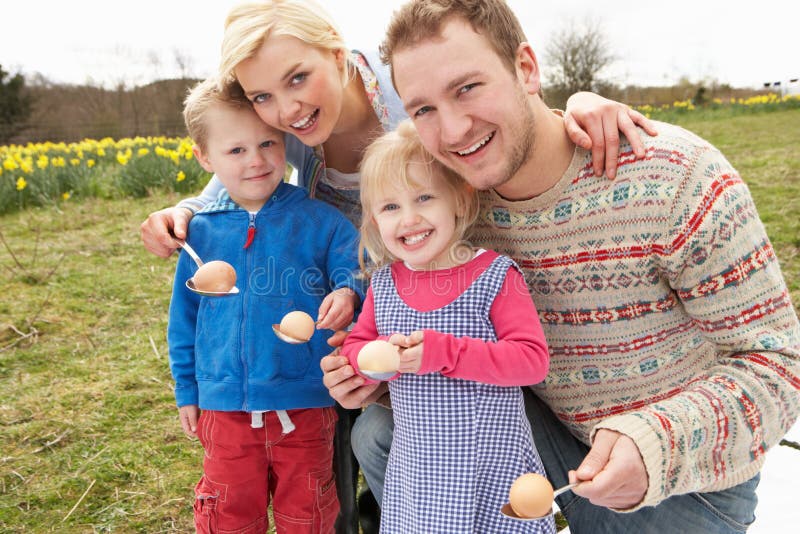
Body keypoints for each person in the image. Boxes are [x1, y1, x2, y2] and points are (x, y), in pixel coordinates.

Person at [139, 1, 657, 531]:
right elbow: (235, 163)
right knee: (340, 427)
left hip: (451, 285)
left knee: (401, 424)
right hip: (372, 294)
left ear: (339, 56)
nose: (286, 107)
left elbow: (501, 110)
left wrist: (581, 102)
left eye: (298, 77)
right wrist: (188, 210)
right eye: (262, 96)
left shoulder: (405, 94)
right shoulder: (289, 130)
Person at [320, 1, 800, 533]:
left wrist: (654, 444)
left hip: (680, 484)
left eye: (468, 88)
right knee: (379, 430)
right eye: (424, 109)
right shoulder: (451, 204)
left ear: (526, 68)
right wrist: (382, 374)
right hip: (538, 440)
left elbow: (780, 364)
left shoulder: (676, 180)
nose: (453, 130)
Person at [167, 77, 363, 533]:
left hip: (306, 404)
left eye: (268, 143)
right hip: (225, 407)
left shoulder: (321, 220)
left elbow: (355, 270)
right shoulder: (200, 235)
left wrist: (348, 293)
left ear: (286, 141)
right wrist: (187, 390)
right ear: (205, 157)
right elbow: (184, 320)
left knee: (310, 512)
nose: (256, 161)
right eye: (236, 151)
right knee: (231, 512)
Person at [341, 120, 553, 532]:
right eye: (390, 207)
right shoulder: (384, 284)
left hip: (492, 465)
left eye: (423, 198)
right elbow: (357, 345)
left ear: (458, 198)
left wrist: (444, 352)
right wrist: (372, 359)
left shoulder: (494, 275)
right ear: (373, 218)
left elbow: (532, 361)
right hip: (419, 473)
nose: (409, 219)